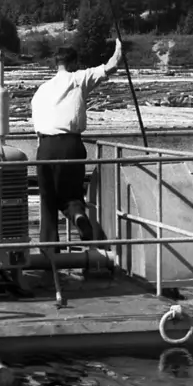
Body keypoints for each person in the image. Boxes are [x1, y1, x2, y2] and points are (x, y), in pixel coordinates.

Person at [30, 39, 122, 249]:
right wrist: (118, 45)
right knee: (71, 194)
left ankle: (49, 250)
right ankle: (79, 215)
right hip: (70, 144)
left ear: (57, 64)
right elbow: (112, 65)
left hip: (44, 147)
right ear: (73, 63)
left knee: (48, 200)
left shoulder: (41, 90)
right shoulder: (78, 78)